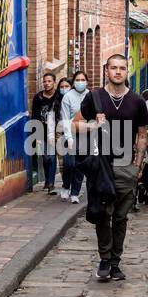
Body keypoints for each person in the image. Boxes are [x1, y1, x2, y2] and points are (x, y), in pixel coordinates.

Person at [73, 54, 148, 281]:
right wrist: (93, 124)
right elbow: (75, 125)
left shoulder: (137, 102)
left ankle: (116, 262)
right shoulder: (94, 98)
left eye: (122, 68)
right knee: (102, 214)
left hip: (126, 165)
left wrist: (138, 164)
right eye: (113, 68)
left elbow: (143, 134)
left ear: (127, 71)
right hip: (100, 165)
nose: (118, 72)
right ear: (106, 71)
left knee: (120, 217)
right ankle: (105, 258)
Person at [29, 71, 62, 194]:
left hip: (54, 132)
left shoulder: (59, 96)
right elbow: (35, 116)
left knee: (52, 157)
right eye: (45, 81)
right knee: (46, 157)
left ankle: (51, 183)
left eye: (49, 81)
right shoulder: (38, 97)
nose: (47, 84)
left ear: (54, 82)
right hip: (42, 131)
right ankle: (48, 179)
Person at [60, 71, 89, 205]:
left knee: (80, 165)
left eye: (83, 79)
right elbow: (65, 118)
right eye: (78, 80)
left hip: (85, 134)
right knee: (69, 163)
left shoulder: (90, 96)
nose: (80, 82)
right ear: (73, 83)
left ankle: (75, 192)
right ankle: (66, 185)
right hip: (70, 132)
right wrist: (69, 138)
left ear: (87, 81)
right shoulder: (68, 97)